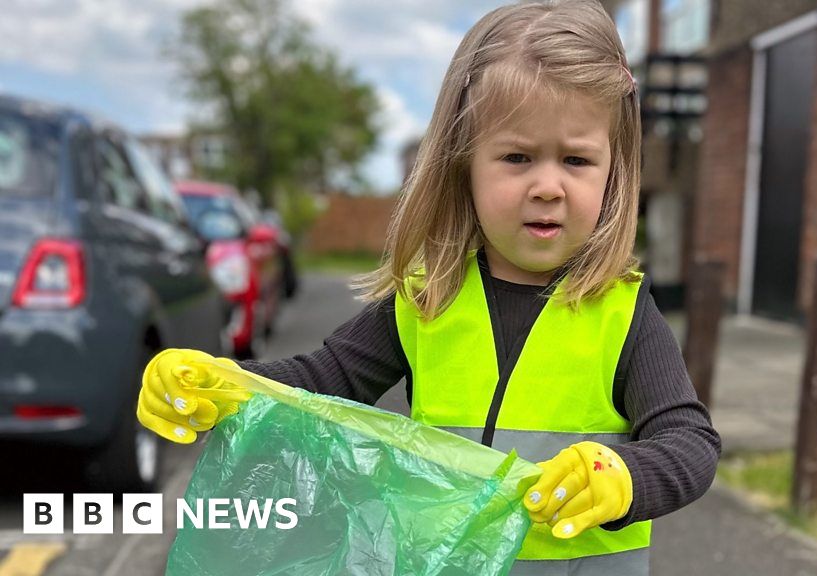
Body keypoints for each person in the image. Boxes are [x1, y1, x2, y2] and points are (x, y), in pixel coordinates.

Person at [137, 1, 720, 573]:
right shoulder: (427, 297)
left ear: (614, 171)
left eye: (576, 159)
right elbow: (323, 382)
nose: (548, 185)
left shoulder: (622, 313)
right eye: (517, 157)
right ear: (462, 166)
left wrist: (624, 476)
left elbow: (690, 444)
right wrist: (225, 383)